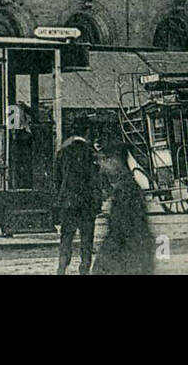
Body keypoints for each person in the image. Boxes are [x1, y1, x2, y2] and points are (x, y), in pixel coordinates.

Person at [92, 143, 154, 275]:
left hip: (130, 254)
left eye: (104, 160)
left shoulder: (125, 190)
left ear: (115, 161)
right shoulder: (127, 186)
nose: (102, 167)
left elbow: (123, 229)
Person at [52, 117, 101, 275]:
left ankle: (62, 266)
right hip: (86, 203)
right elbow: (95, 180)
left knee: (66, 235)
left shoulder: (63, 151)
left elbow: (56, 178)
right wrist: (97, 202)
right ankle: (84, 268)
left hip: (68, 202)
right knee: (87, 238)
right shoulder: (90, 152)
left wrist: (62, 196)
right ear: (86, 131)